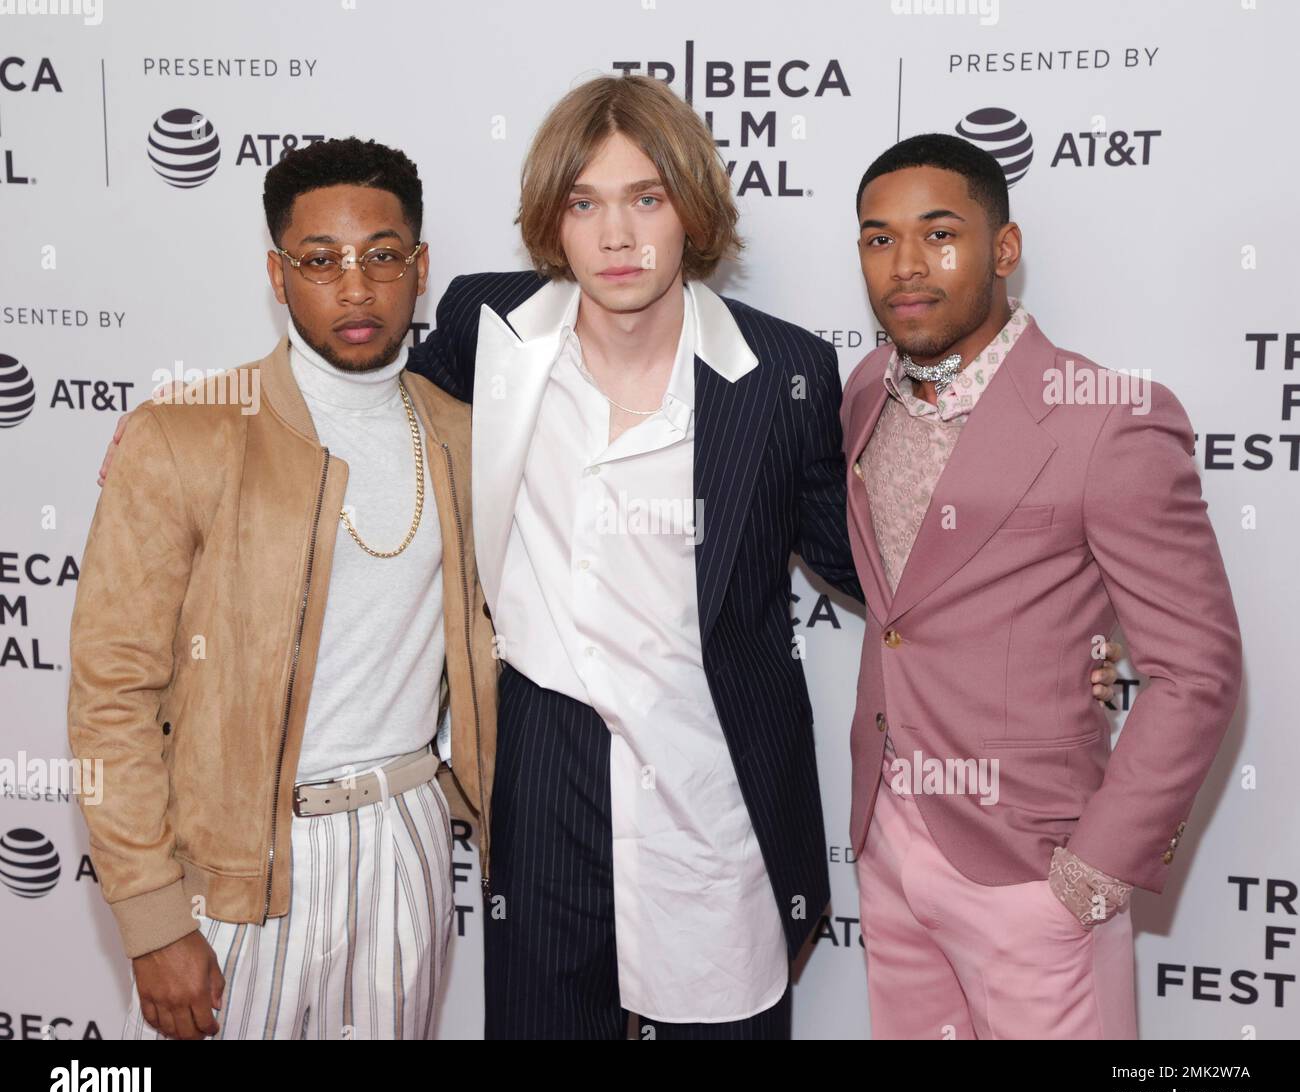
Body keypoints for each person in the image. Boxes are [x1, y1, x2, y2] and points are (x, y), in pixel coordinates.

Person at [403, 77, 1122, 1039]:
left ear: (692, 210)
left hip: (715, 774)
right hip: (543, 770)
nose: (617, 237)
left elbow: (874, 567)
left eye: (646, 198)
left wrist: (1054, 633)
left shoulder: (780, 372)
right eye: (585, 203)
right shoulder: (486, 327)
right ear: (552, 222)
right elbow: (383, 424)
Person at [71, 138, 497, 1039]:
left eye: (383, 257)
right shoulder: (183, 435)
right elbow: (112, 692)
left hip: (405, 845)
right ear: (277, 272)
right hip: (237, 866)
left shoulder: (467, 438)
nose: (355, 287)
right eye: (320, 260)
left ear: (421, 269)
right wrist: (151, 921)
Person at [842, 133, 1242, 1039]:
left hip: (1032, 870)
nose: (906, 265)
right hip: (890, 843)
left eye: (939, 234)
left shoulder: (1110, 422)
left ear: (1004, 250)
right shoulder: (865, 391)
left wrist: (1091, 870)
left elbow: (1197, 671)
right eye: (878, 238)